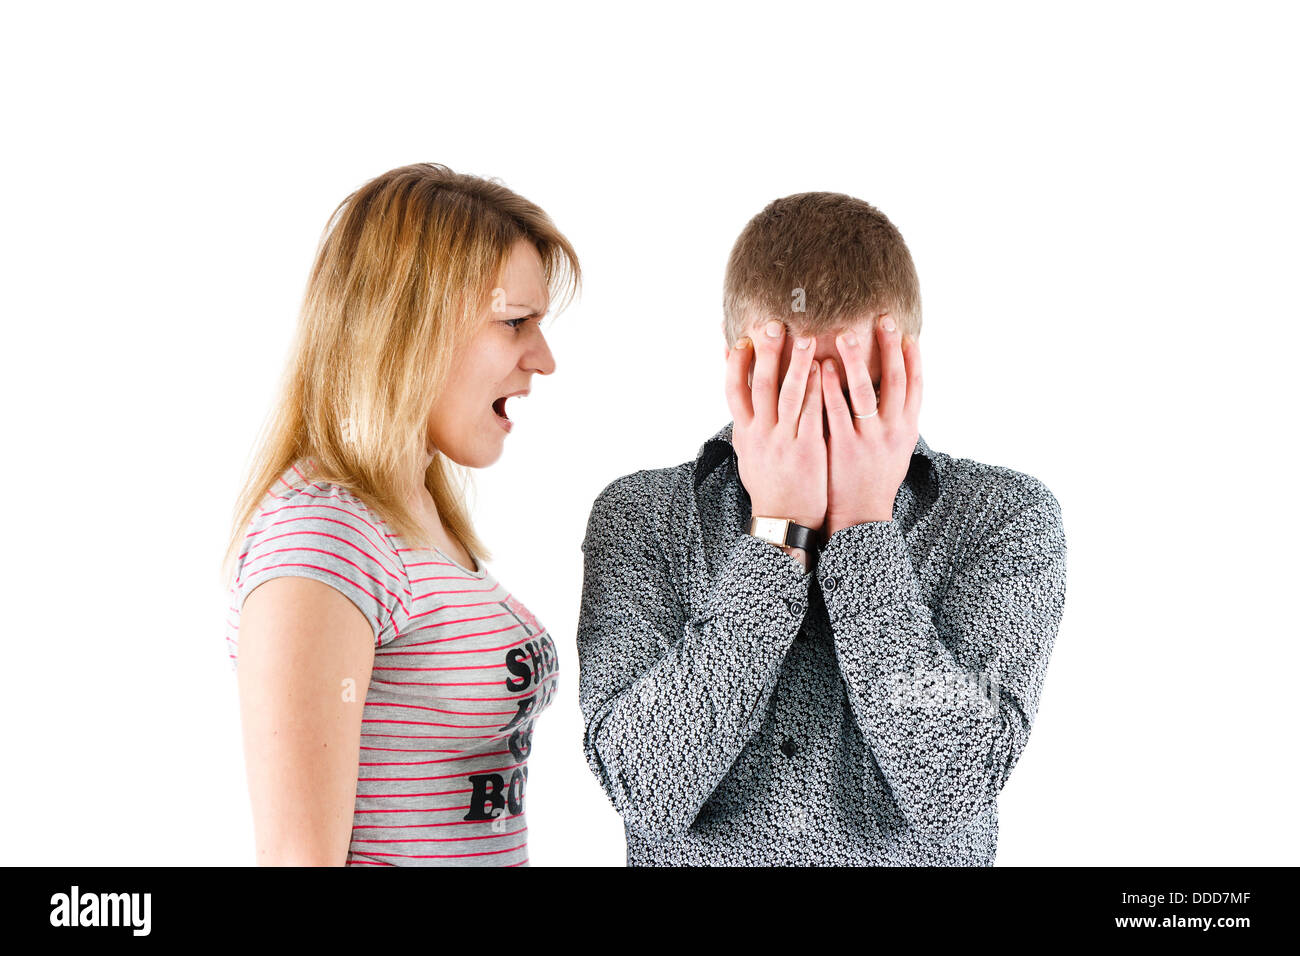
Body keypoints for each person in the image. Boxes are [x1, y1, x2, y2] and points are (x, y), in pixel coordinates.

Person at [576, 191, 1067, 866]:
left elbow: (953, 790)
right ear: (736, 371)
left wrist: (866, 531)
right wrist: (778, 535)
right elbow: (645, 788)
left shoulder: (1004, 517)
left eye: (859, 395)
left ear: (908, 374)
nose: (825, 432)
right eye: (797, 393)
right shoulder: (643, 516)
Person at [222, 163, 578, 866]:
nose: (544, 359)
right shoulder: (322, 538)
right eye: (515, 324)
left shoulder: (417, 521)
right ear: (407, 328)